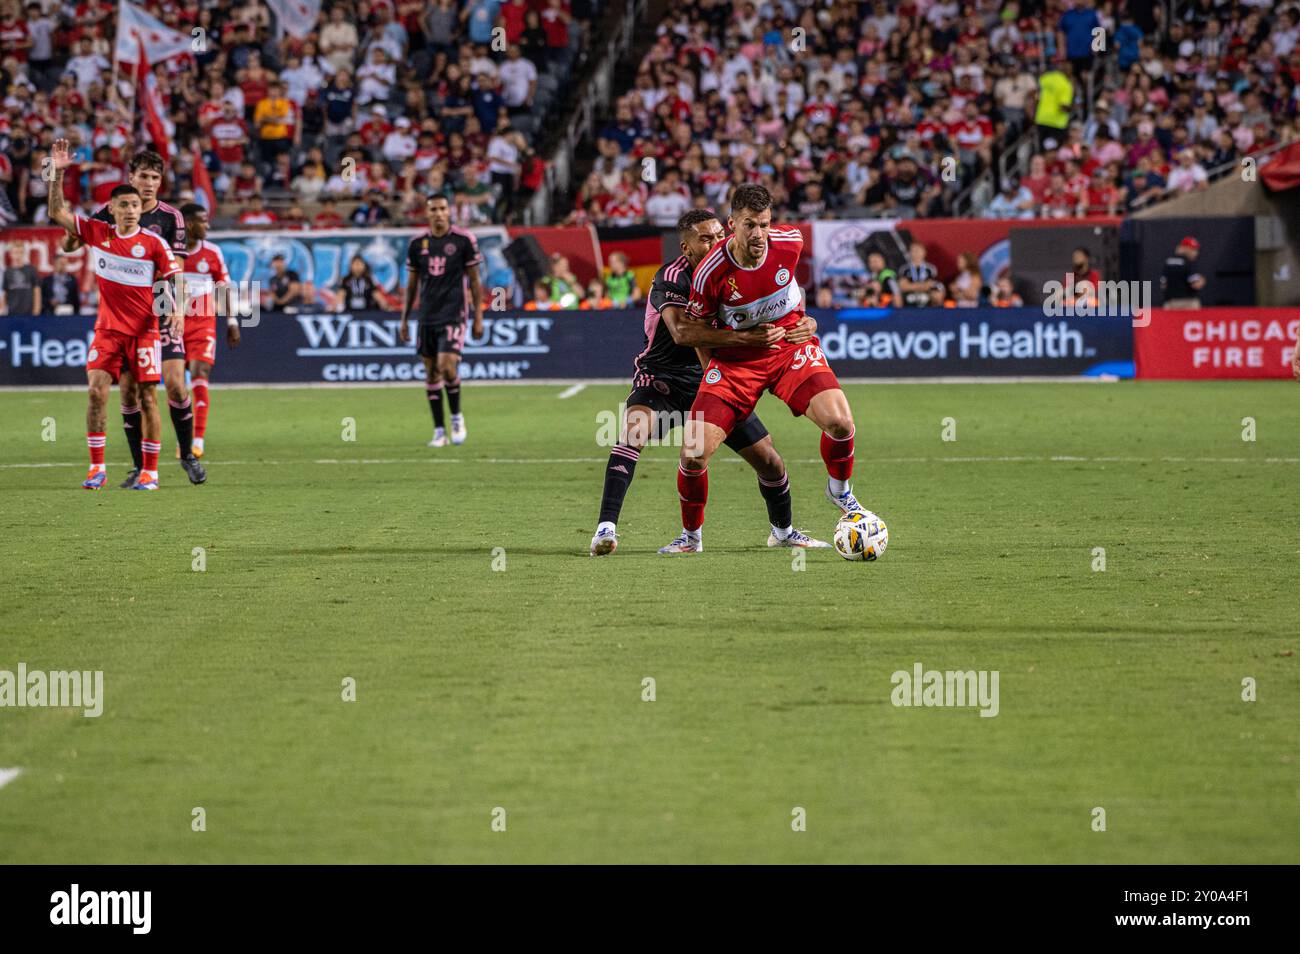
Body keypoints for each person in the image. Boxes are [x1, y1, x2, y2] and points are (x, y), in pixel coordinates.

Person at [589, 209, 827, 556]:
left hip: (717, 379)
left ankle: (784, 531)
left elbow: (782, 304)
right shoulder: (672, 277)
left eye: (718, 234)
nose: (717, 242)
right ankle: (605, 530)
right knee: (633, 432)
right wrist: (747, 340)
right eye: (706, 238)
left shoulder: (737, 268)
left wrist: (807, 324)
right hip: (664, 378)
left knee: (771, 462)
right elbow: (683, 332)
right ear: (686, 248)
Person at [664, 184, 869, 554]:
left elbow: (790, 288)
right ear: (732, 225)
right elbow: (694, 331)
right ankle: (691, 538)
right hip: (736, 363)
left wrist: (808, 321)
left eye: (763, 224)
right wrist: (720, 370)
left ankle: (840, 491)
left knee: (841, 423)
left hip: (789, 348)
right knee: (693, 453)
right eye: (749, 226)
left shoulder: (789, 242)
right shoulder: (711, 273)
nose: (759, 234)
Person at [62, 150, 204, 487]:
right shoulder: (111, 210)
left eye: (156, 178)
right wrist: (73, 235)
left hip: (162, 311)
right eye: (144, 177)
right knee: (128, 392)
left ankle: (187, 455)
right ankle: (140, 467)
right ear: (131, 178)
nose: (150, 184)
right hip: (122, 316)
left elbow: (178, 268)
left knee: (174, 384)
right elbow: (74, 241)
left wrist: (174, 307)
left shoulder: (172, 217)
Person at [398, 194, 484, 447]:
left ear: (449, 212)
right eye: (433, 209)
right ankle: (439, 431)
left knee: (447, 366)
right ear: (427, 213)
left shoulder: (463, 240)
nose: (438, 213)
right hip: (426, 316)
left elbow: (476, 281)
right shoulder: (417, 244)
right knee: (431, 373)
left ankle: (456, 417)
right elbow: (412, 284)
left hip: (454, 313)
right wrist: (404, 319)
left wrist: (478, 316)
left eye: (442, 209)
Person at [179, 203, 239, 459]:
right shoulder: (170, 251)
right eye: (203, 221)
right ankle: (182, 433)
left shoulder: (212, 253)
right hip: (174, 322)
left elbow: (223, 289)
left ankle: (198, 440)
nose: (208, 225)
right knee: (175, 385)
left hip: (203, 323)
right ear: (190, 225)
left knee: (199, 372)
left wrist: (232, 322)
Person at [1161, 236, 1205, 309]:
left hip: (1170, 303)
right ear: (1185, 248)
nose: (1196, 253)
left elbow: (1163, 285)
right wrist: (1203, 280)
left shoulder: (1168, 262)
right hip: (1188, 304)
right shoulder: (1188, 262)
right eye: (1193, 249)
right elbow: (1196, 284)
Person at [0, 244, 39, 314]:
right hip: (12, 313)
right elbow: (4, 293)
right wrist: (3, 310)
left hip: (29, 313)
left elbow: (37, 291)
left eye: (20, 252)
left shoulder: (31, 270)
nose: (18, 255)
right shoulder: (7, 271)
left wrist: (36, 311)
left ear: (24, 253)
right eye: (15, 252)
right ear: (10, 254)